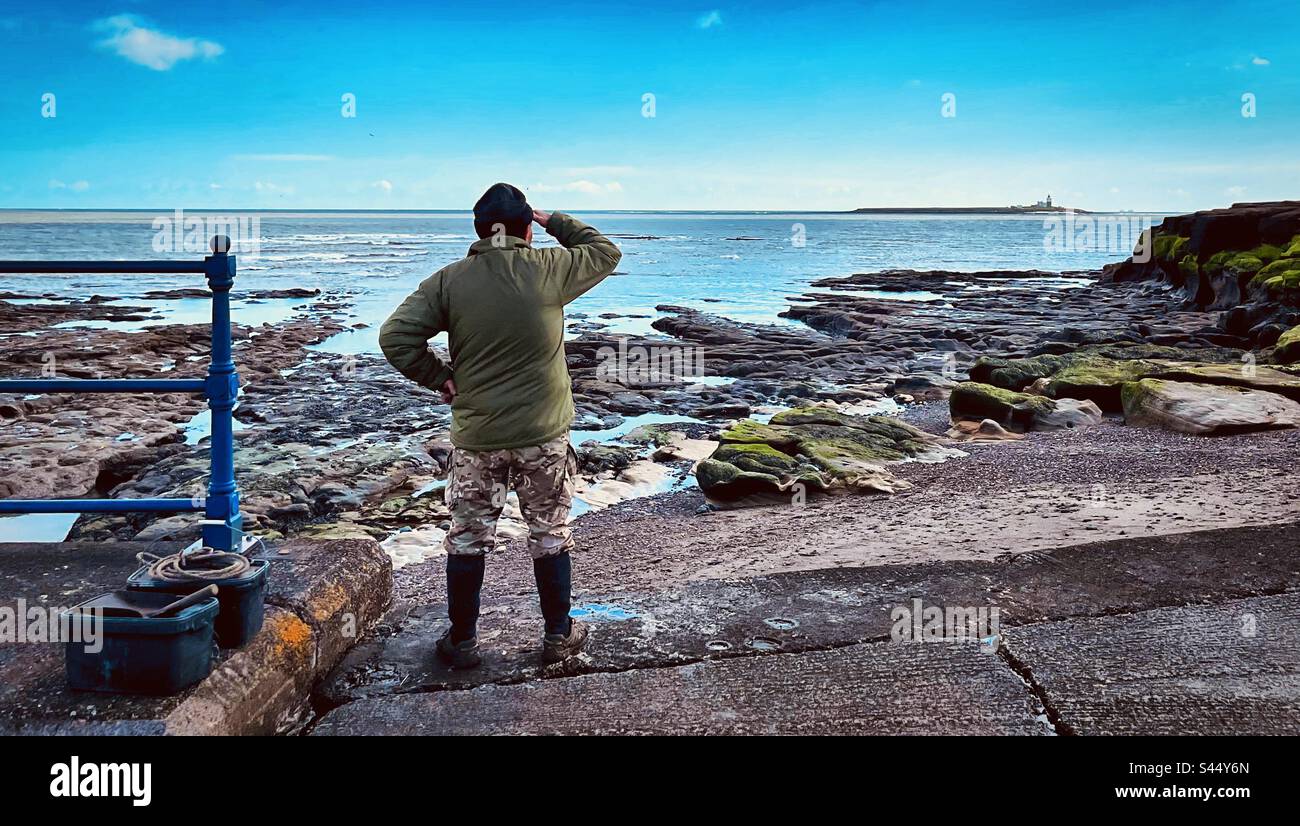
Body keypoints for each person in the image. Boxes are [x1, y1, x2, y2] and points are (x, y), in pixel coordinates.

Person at [379, 182, 622, 668]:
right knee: (549, 533)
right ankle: (558, 636)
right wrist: (550, 218)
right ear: (527, 229)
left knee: (468, 536)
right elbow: (605, 251)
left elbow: (395, 336)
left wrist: (439, 378)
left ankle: (463, 642)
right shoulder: (549, 269)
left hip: (478, 438)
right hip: (543, 436)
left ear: (477, 230)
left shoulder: (450, 281)